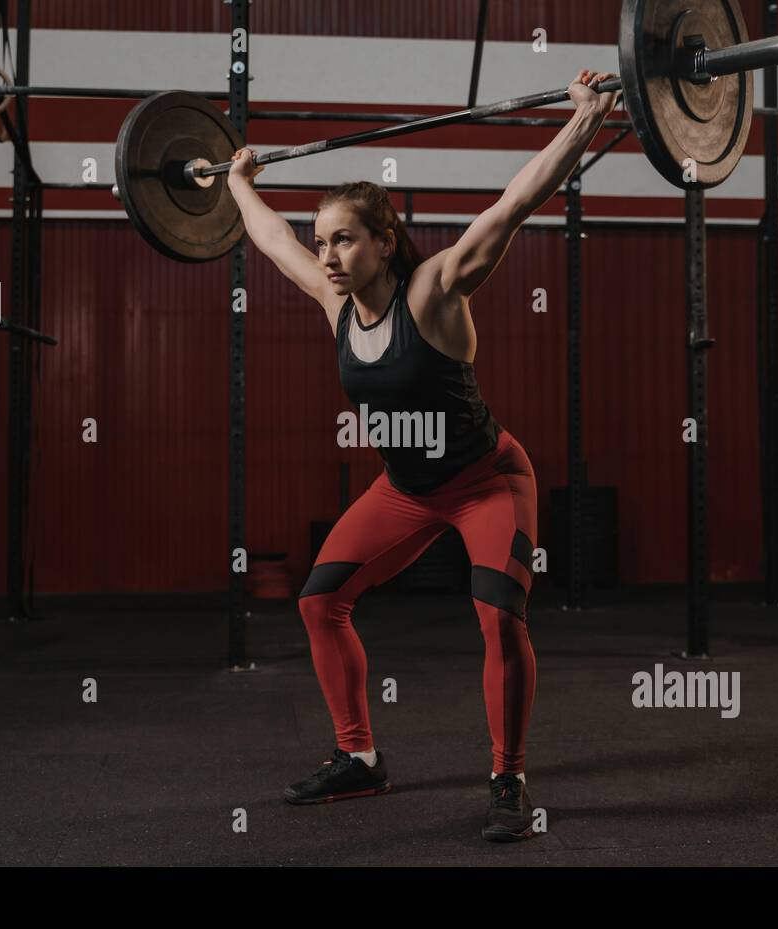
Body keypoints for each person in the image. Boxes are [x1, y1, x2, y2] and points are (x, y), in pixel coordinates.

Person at [226, 70, 619, 842]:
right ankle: (359, 759)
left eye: (343, 239)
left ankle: (508, 781)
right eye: (324, 242)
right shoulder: (332, 301)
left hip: (487, 483)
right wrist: (240, 180)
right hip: (405, 491)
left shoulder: (437, 289)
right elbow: (270, 238)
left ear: (383, 241)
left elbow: (514, 204)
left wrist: (586, 119)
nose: (328, 255)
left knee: (498, 617)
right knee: (318, 601)